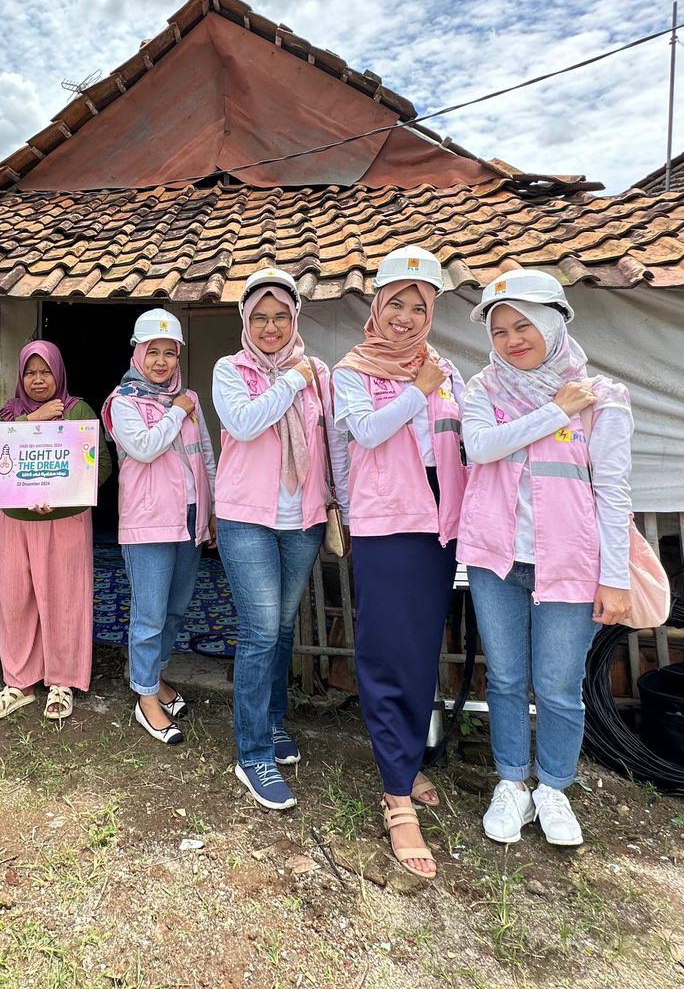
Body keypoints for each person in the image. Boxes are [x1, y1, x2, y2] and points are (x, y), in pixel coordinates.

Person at [458, 269, 634, 848]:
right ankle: (511, 781)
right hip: (496, 558)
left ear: (555, 322)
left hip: (571, 562)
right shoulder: (482, 388)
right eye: (501, 329)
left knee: (559, 685)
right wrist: (556, 411)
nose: (512, 339)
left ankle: (554, 788)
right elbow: (480, 447)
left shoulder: (604, 397)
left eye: (524, 325)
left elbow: (613, 490)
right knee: (506, 679)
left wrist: (614, 578)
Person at [333, 246, 468, 878]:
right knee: (386, 651)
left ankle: (407, 764)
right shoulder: (352, 371)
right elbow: (366, 433)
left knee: (419, 651)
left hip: (437, 530)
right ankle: (395, 795)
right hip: (386, 525)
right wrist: (417, 390)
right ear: (377, 308)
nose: (408, 318)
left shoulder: (445, 370)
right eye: (397, 305)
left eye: (420, 307)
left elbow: (464, 441)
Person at [212, 269, 340, 811]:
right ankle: (253, 752)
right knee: (261, 628)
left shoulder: (321, 372)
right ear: (246, 321)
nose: (270, 326)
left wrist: (343, 502)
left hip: (304, 518)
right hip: (246, 517)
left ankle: (271, 716)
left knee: (283, 624)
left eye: (280, 317)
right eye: (260, 317)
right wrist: (290, 380)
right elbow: (242, 423)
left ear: (295, 320)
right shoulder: (230, 370)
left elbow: (334, 440)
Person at [103, 308, 216, 746]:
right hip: (149, 520)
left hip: (188, 516)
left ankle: (156, 676)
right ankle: (145, 696)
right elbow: (145, 448)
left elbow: (205, 453)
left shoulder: (187, 398)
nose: (162, 362)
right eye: (154, 352)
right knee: (149, 612)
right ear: (138, 352)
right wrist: (176, 411)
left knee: (175, 606)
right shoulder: (122, 402)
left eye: (170, 353)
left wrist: (211, 508)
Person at [0, 340, 110, 723]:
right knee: (16, 601)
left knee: (64, 599)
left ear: (59, 373)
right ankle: (19, 681)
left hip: (65, 522)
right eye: (30, 373)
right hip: (16, 524)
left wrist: (60, 497)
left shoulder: (78, 411)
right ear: (21, 376)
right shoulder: (7, 417)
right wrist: (33, 420)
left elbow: (101, 465)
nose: (38, 380)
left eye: (45, 371)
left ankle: (61, 679)